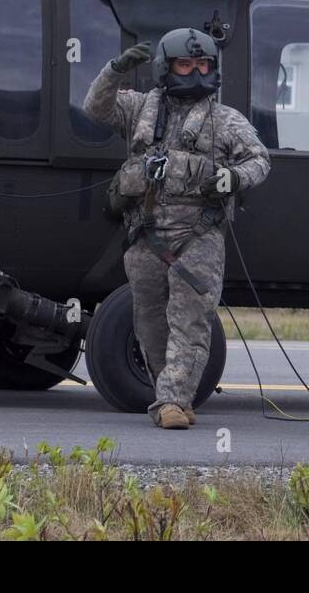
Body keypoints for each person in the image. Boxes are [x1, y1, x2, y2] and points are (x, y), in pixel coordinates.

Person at [84, 27, 269, 429]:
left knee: (190, 321)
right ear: (166, 69)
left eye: (203, 64)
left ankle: (172, 400)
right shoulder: (138, 110)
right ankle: (171, 396)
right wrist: (114, 70)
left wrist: (233, 179)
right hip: (145, 235)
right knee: (149, 323)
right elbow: (95, 109)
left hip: (198, 236)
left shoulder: (225, 120)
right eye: (186, 64)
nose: (196, 72)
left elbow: (259, 160)